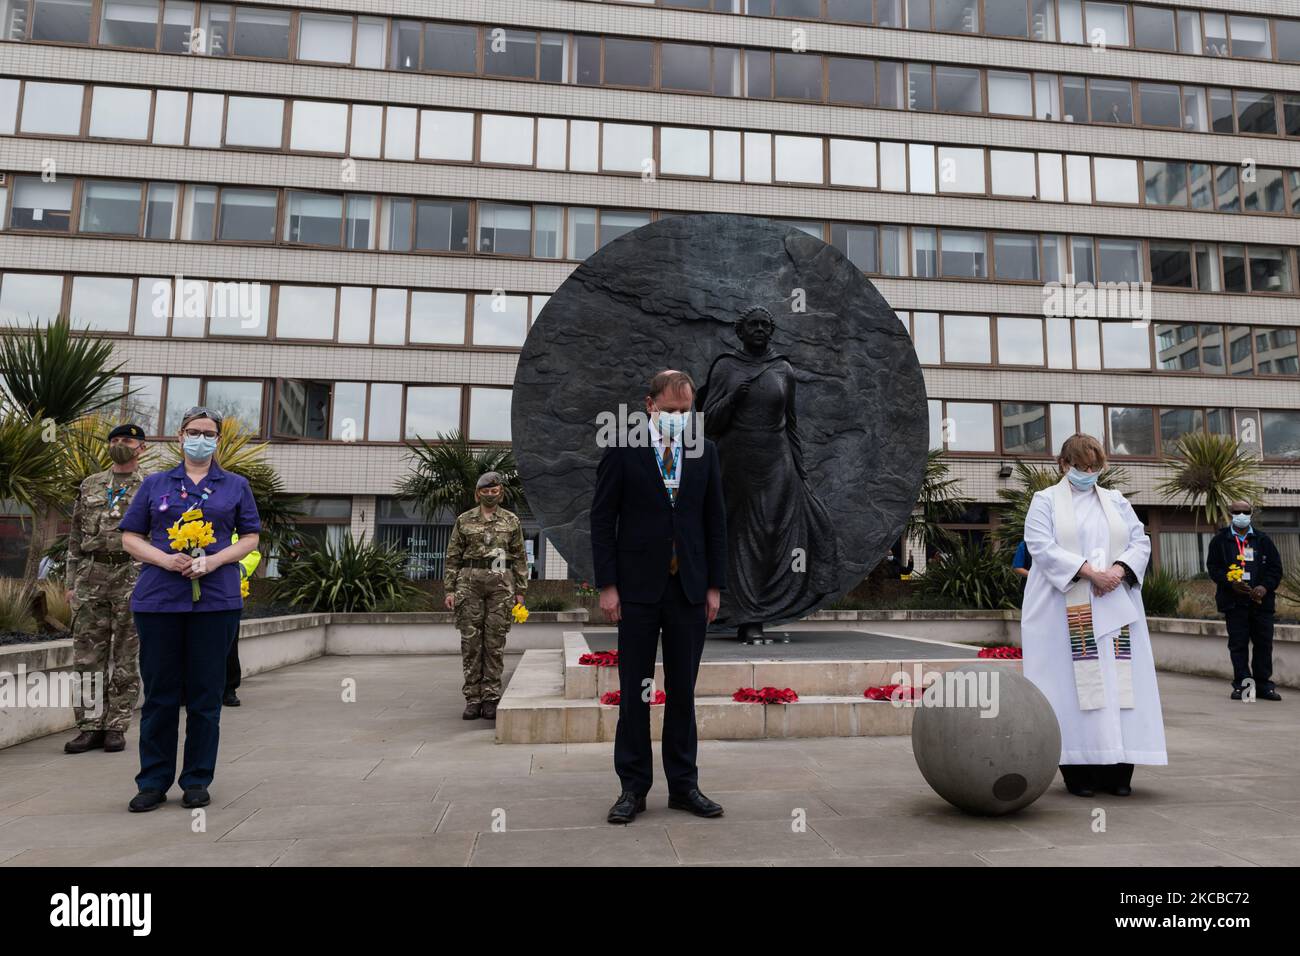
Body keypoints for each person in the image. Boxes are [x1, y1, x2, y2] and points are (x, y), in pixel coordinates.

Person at [591, 369, 728, 824]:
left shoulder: (705, 452)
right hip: (637, 592)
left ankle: (685, 787)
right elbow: (601, 519)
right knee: (635, 692)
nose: (678, 418)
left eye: (685, 411)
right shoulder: (623, 450)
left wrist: (714, 586)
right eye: (670, 411)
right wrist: (607, 586)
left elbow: (716, 524)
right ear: (649, 405)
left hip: (688, 590)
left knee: (683, 694)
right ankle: (632, 788)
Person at [117, 407, 260, 812]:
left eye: (209, 433)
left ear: (218, 439)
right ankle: (152, 781)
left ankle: (197, 779)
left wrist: (214, 560)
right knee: (161, 694)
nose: (201, 439)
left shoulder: (235, 485)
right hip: (160, 599)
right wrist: (165, 559)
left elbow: (249, 536)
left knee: (205, 695)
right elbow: (130, 536)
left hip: (215, 599)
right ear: (179, 437)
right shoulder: (155, 484)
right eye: (194, 432)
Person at [1022, 433, 1167, 797]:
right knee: (1073, 688)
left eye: (1094, 467)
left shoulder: (1115, 500)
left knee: (1120, 688)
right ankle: (1079, 772)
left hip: (1114, 604)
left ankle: (1119, 772)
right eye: (1082, 466)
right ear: (1064, 464)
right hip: (1066, 609)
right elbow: (1040, 544)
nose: (1089, 473)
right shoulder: (1046, 501)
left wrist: (1118, 570)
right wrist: (1089, 572)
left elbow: (1140, 540)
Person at [63, 423, 149, 755]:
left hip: (132, 574)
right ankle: (89, 727)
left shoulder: (151, 486)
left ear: (141, 447)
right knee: (87, 656)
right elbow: (74, 537)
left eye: (126, 440)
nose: (119, 445)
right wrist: (71, 583)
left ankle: (116, 726)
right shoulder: (91, 484)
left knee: (126, 657)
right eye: (114, 440)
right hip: (91, 574)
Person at [443, 471, 527, 721]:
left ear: (500, 492)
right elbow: (452, 556)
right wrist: (449, 589)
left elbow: (520, 557)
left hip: (501, 583)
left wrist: (521, 591)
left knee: (494, 640)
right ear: (477, 493)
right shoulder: (464, 520)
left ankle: (490, 696)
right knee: (471, 641)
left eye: (495, 491)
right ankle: (473, 698)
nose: (490, 495)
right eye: (485, 491)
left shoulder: (511, 521)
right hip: (469, 582)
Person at [1206, 501, 1283, 701]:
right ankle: (1244, 685)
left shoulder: (1262, 539)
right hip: (1234, 603)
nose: (1241, 515)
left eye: (1245, 512)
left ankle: (1264, 685)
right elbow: (1213, 568)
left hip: (1261, 603)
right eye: (1237, 512)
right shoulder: (1220, 540)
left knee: (1263, 645)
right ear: (1230, 514)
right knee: (1238, 645)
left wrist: (1264, 587)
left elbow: (1275, 569)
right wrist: (1230, 583)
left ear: (1251, 514)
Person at [224, 531, 262, 707]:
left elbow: (253, 554)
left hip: (227, 596)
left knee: (229, 646)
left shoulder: (234, 533)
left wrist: (237, 570)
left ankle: (229, 689)